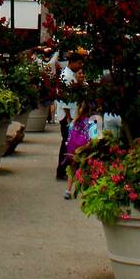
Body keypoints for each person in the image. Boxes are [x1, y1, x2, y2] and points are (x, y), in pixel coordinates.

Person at [55, 53, 84, 185]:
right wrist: (68, 118)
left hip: (71, 115)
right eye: (78, 63)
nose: (80, 66)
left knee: (67, 143)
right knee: (66, 144)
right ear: (71, 62)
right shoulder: (65, 76)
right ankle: (61, 171)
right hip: (67, 116)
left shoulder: (70, 74)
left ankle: (64, 170)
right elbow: (64, 99)